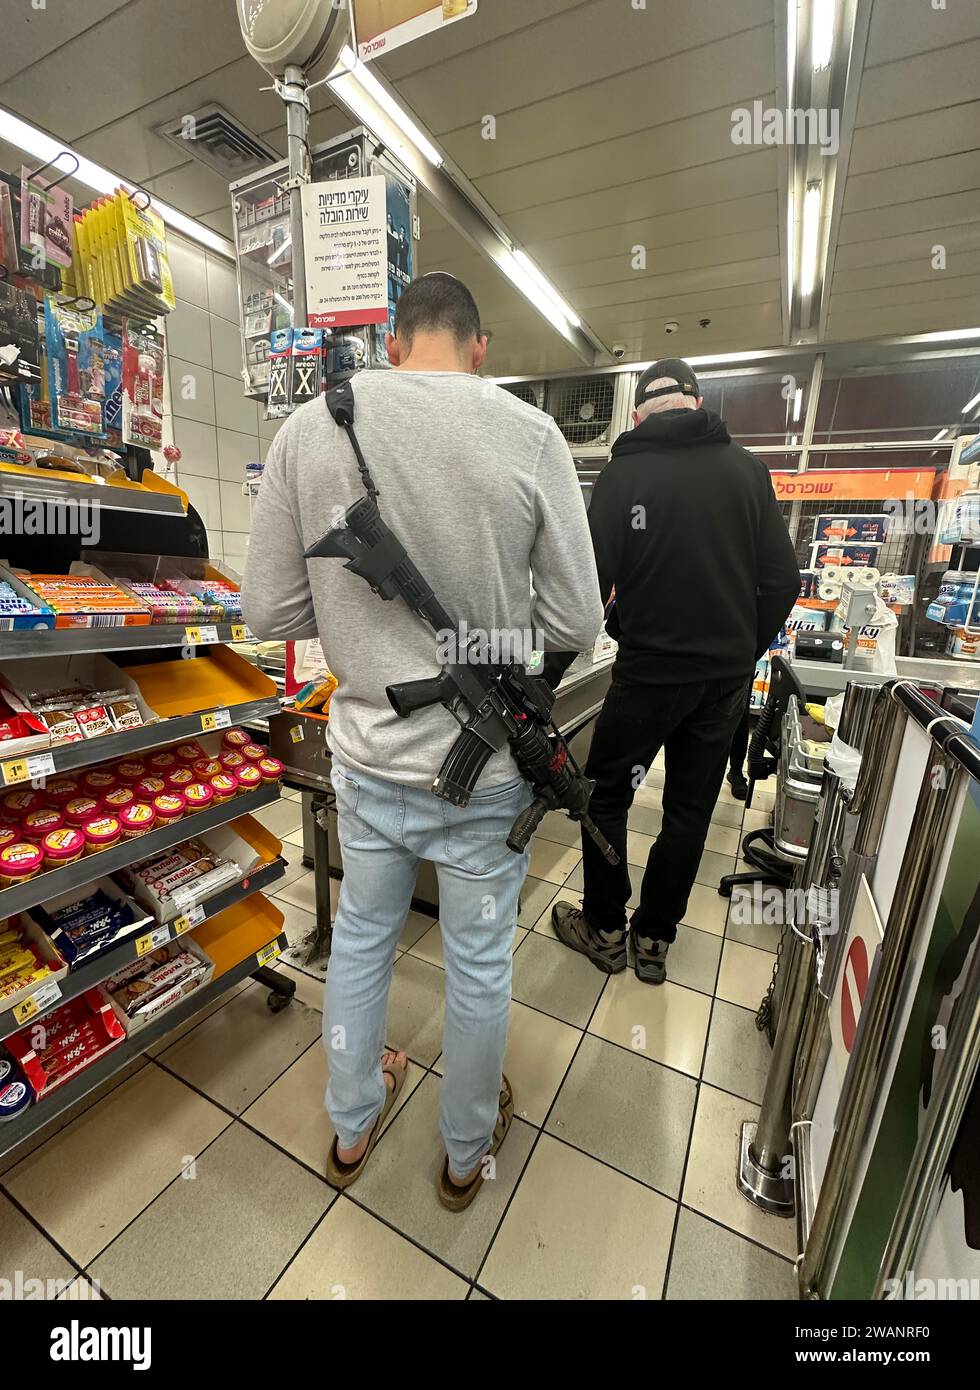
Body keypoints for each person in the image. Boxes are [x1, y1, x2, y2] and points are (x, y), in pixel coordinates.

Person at [242, 272, 603, 1208]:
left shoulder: (308, 431)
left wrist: (365, 629)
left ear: (394, 342)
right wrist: (488, 637)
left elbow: (270, 608)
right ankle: (464, 1152)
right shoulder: (529, 433)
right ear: (480, 349)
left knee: (360, 941)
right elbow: (576, 618)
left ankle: (353, 1124)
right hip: (485, 783)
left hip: (362, 762)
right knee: (479, 962)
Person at [548, 358, 800, 984]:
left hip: (646, 677)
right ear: (696, 401)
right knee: (689, 812)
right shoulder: (748, 472)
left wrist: (543, 673)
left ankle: (605, 927)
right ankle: (654, 939)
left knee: (607, 798)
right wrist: (741, 650)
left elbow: (584, 594)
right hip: (721, 688)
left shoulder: (623, 475)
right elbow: (785, 580)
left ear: (636, 413)